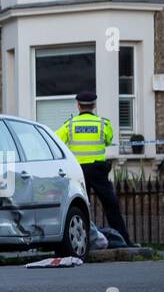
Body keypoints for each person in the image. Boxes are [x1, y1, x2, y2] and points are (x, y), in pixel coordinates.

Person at [55, 91, 134, 246]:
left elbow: (57, 140)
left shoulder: (70, 125)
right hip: (98, 171)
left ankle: (81, 242)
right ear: (94, 105)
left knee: (79, 206)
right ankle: (125, 241)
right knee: (111, 205)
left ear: (78, 106)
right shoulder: (103, 124)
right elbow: (108, 140)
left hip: (78, 172)